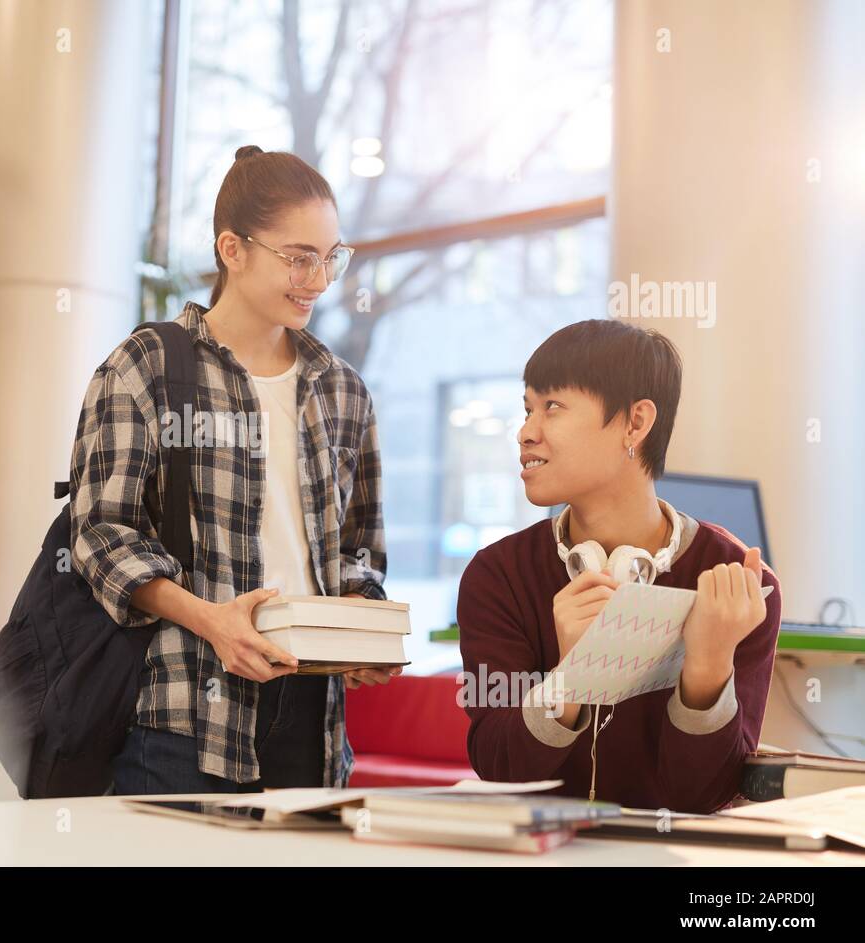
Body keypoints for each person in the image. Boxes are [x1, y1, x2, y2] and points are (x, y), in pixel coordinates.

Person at [69, 146, 399, 796]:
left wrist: (363, 623)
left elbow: (362, 552)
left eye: (332, 256)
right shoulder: (149, 367)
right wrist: (210, 620)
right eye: (299, 257)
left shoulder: (343, 391)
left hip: (315, 718)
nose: (320, 278)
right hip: (185, 712)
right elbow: (103, 536)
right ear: (233, 249)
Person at [457, 319, 781, 813]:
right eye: (527, 409)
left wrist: (710, 664)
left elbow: (701, 796)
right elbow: (498, 768)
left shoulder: (738, 584)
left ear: (635, 423)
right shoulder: (497, 576)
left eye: (552, 407)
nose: (525, 433)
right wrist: (567, 681)